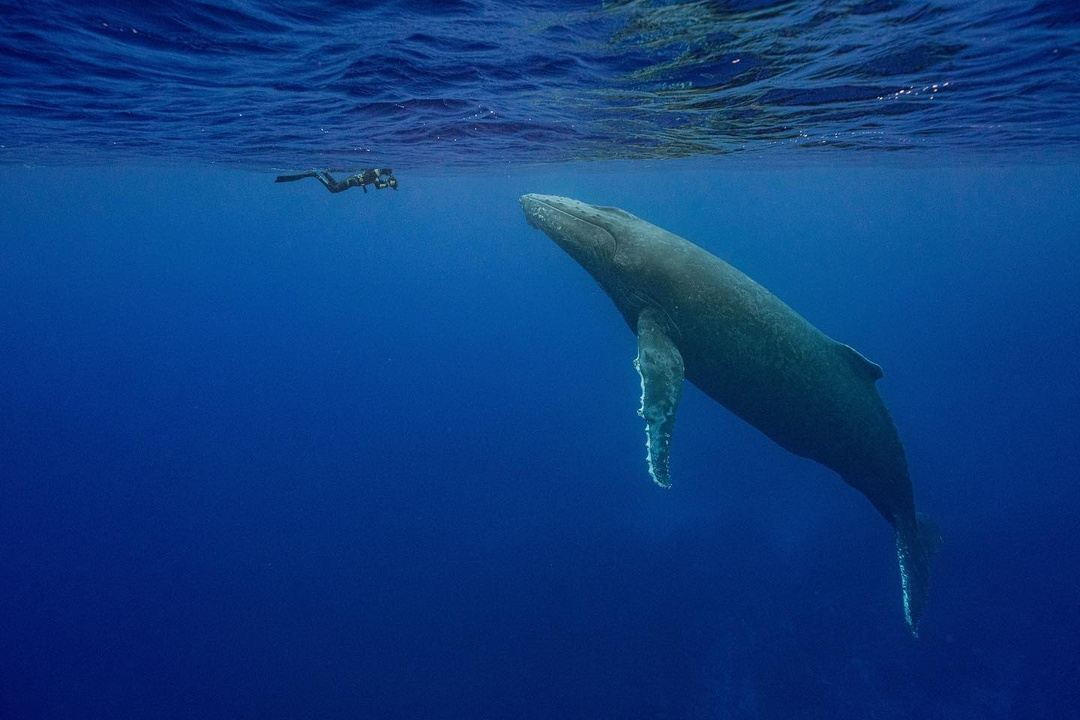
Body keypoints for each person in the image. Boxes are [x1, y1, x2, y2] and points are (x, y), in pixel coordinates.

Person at [274, 168, 398, 193]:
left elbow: (378, 185)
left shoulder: (376, 175)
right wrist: (388, 184)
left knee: (335, 185)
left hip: (350, 181)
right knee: (333, 189)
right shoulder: (376, 174)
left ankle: (324, 173)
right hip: (350, 182)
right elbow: (378, 184)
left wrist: (387, 184)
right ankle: (316, 175)